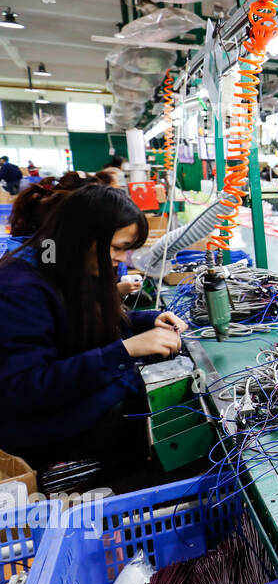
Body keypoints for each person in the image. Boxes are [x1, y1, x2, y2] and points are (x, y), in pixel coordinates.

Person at [0, 185, 189, 474]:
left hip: (64, 405)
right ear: (81, 239)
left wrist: (147, 321)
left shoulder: (58, 261)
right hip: (33, 429)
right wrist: (124, 351)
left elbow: (82, 317)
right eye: (117, 248)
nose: (123, 260)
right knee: (165, 414)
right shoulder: (20, 290)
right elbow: (24, 390)